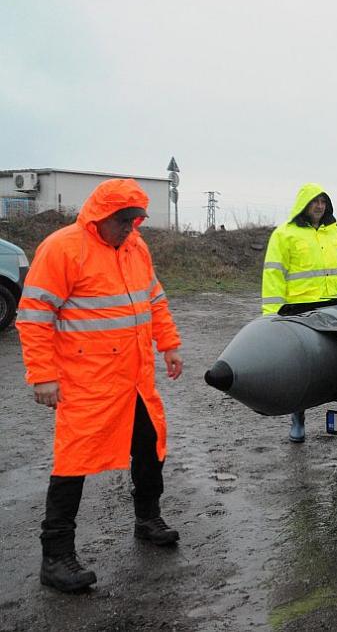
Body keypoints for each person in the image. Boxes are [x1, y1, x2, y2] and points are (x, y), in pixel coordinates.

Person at [16, 179, 184, 593]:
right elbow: (34, 317)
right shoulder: (62, 248)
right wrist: (43, 376)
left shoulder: (135, 248)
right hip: (88, 381)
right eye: (123, 221)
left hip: (136, 378)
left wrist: (170, 345)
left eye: (135, 220)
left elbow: (154, 300)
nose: (130, 228)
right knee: (72, 463)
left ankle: (148, 518)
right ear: (100, 217)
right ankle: (55, 557)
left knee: (150, 447)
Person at [262, 183, 337, 441]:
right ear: (303, 204)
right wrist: (272, 314)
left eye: (323, 201)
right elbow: (273, 275)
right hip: (301, 313)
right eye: (314, 201)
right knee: (302, 368)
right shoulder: (284, 235)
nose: (319, 206)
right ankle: (298, 418)